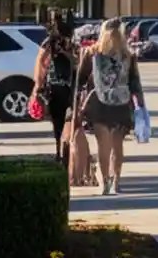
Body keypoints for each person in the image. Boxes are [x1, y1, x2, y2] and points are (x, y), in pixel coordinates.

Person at [75, 18, 145, 196]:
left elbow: (80, 81)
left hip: (99, 104)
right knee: (117, 145)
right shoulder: (127, 55)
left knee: (103, 145)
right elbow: (135, 83)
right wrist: (141, 108)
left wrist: (76, 107)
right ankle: (117, 180)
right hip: (122, 104)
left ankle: (105, 181)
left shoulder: (92, 53)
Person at [32, 11, 77, 165]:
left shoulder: (48, 43)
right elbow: (77, 62)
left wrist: (38, 85)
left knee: (57, 121)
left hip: (54, 87)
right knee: (70, 119)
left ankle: (60, 149)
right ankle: (66, 149)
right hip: (69, 86)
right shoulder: (69, 42)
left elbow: (40, 63)